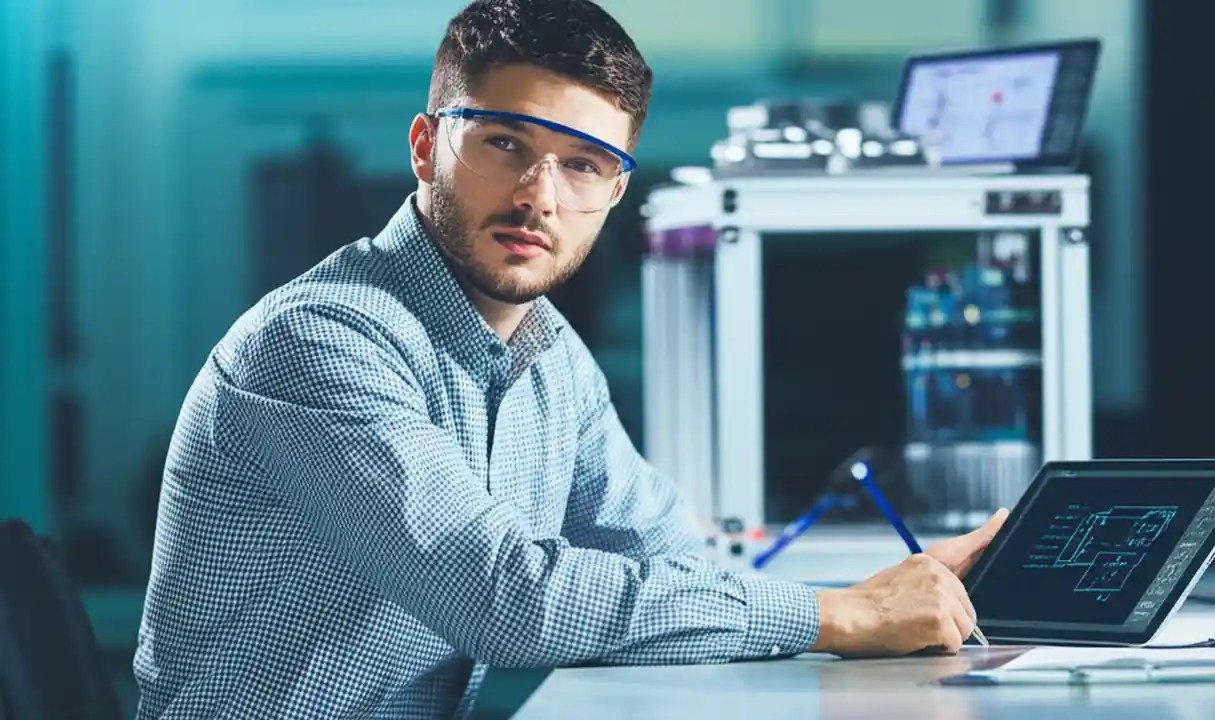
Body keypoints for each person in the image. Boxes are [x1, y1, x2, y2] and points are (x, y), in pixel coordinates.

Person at [133, 0, 1008, 717]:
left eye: (584, 165)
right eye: (505, 144)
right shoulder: (319, 344)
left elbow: (671, 565)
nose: (538, 196)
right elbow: (504, 601)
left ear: (616, 191)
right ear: (427, 145)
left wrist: (888, 591)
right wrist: (840, 613)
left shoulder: (548, 357)